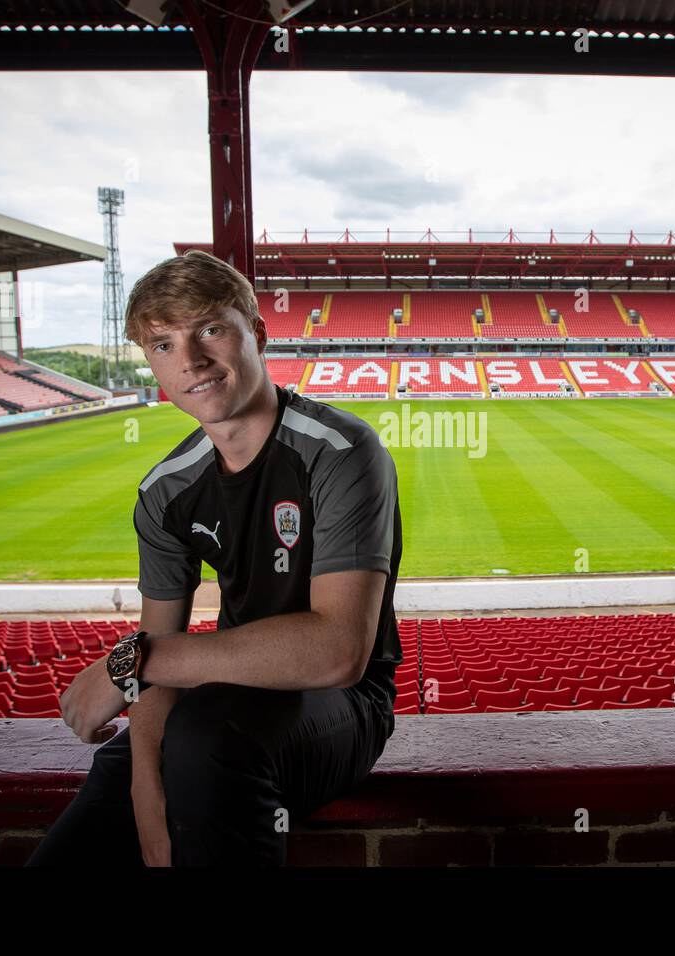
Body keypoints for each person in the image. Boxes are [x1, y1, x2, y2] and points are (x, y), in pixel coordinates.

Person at [28, 250, 403, 867]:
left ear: (256, 333)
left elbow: (338, 651)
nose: (191, 360)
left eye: (209, 329)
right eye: (162, 344)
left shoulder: (341, 450)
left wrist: (134, 660)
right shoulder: (165, 491)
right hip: (221, 694)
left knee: (208, 741)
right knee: (106, 799)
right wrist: (147, 796)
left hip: (344, 704)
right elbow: (157, 662)